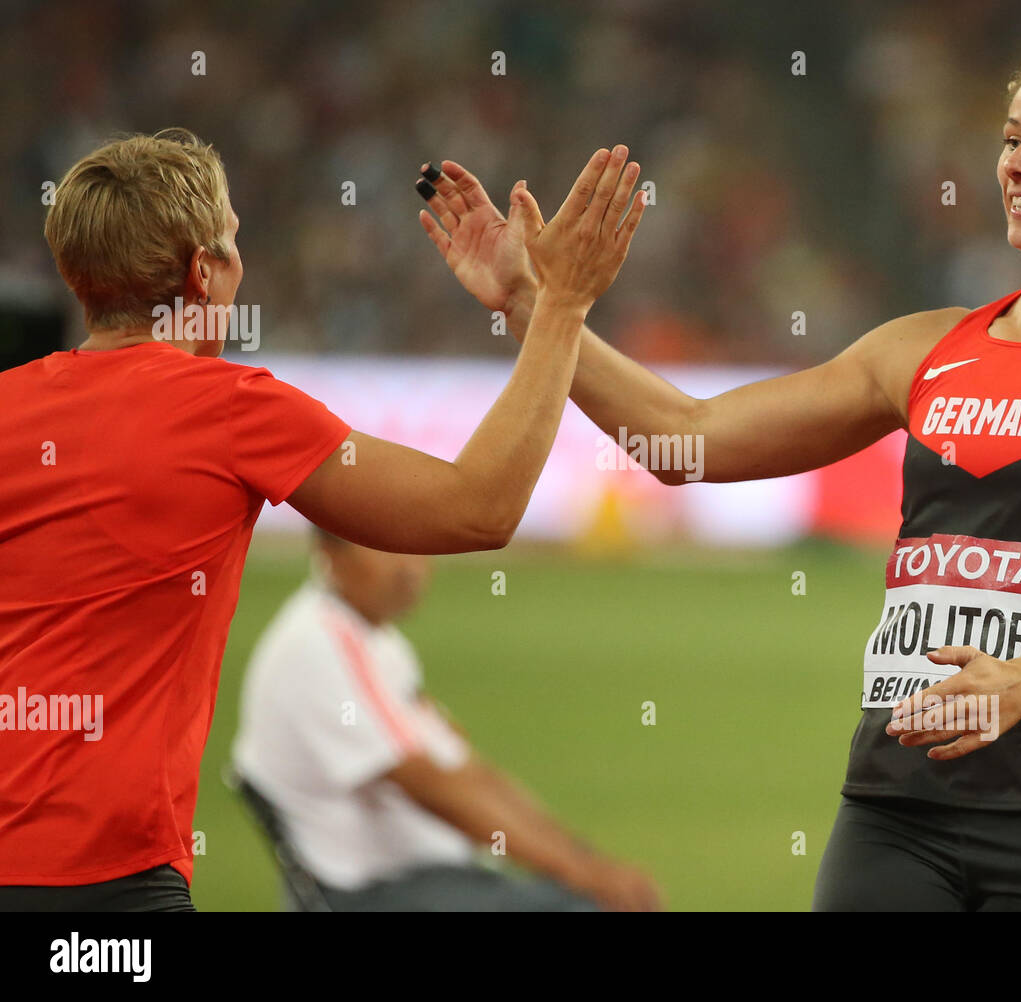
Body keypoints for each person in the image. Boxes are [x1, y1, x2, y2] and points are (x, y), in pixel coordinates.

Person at [419, 45, 1021, 911]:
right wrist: (535, 307)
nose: (1017, 166)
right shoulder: (925, 347)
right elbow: (684, 440)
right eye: (1010, 141)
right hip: (896, 814)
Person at [0, 128, 648, 911]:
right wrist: (562, 305)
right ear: (204, 273)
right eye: (232, 243)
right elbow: (480, 508)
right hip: (102, 886)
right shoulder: (231, 413)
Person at [231, 530, 661, 911]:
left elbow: (468, 773)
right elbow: (431, 785)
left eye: (415, 547)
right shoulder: (320, 647)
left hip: (423, 879)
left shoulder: (375, 641)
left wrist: (583, 862)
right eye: (383, 547)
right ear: (328, 552)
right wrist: (578, 870)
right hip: (372, 892)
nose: (408, 568)